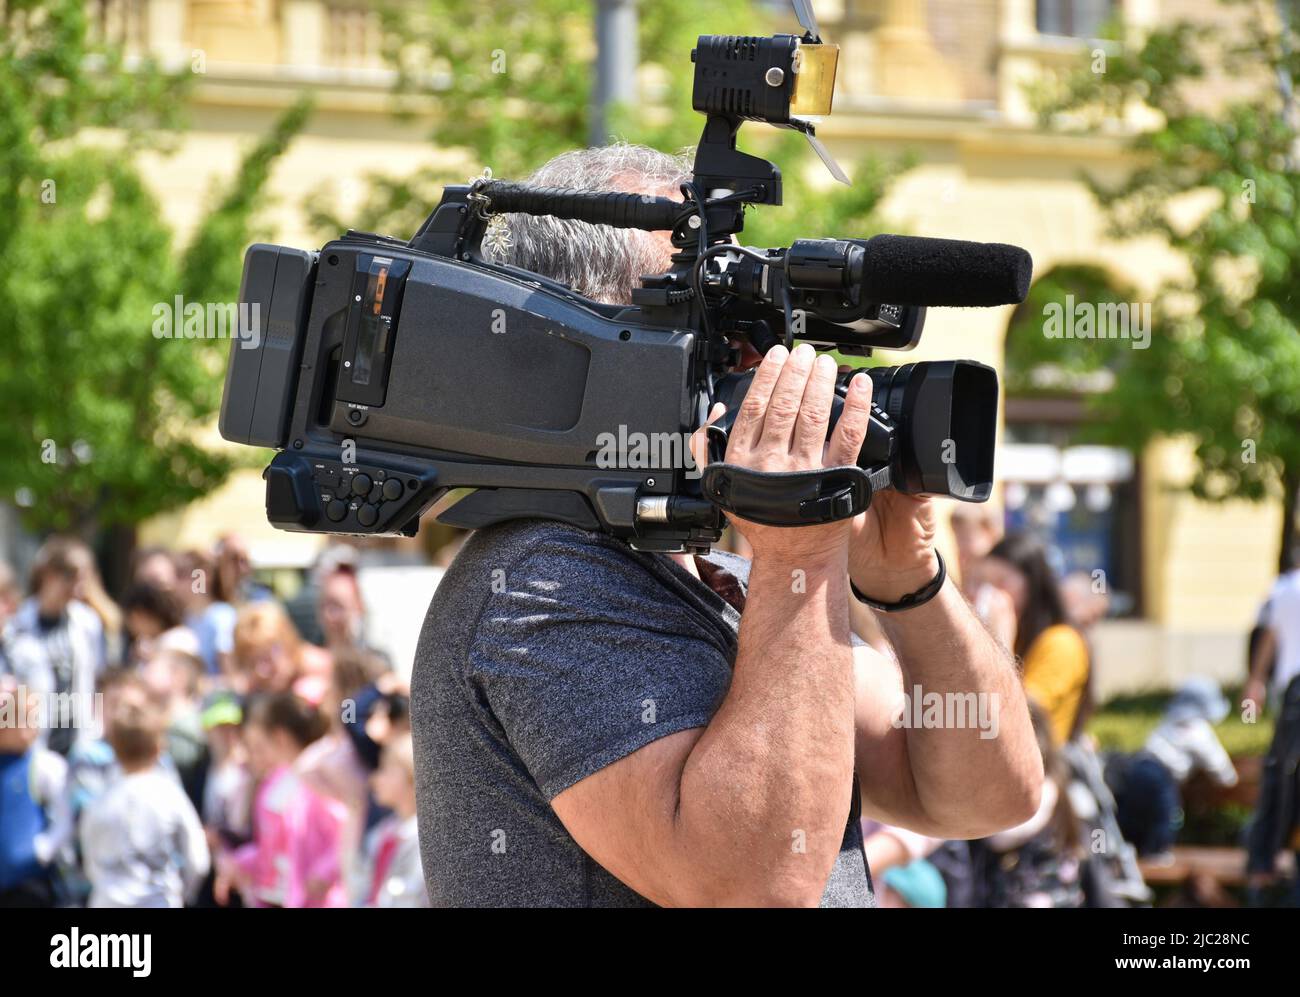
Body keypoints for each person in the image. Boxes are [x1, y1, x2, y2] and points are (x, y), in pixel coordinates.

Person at [411, 144, 1042, 908]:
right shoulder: (546, 579)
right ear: (584, 344)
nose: (756, 355)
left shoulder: (731, 578)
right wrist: (800, 553)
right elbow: (749, 887)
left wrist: (909, 581)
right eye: (713, 328)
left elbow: (988, 794)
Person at [79, 682, 209, 908]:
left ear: (115, 749)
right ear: (159, 747)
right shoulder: (170, 796)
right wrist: (183, 893)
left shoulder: (101, 801)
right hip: (159, 901)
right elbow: (198, 860)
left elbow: (91, 862)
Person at [217, 693, 348, 908]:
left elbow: (342, 834)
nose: (251, 756)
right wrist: (239, 862)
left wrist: (323, 872)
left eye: (257, 746)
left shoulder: (318, 779)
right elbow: (269, 847)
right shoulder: (271, 784)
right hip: (276, 898)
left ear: (280, 738)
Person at [973, 532, 1091, 746]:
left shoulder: (1062, 642)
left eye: (1002, 582)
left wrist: (1000, 641)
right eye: (985, 583)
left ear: (1032, 583)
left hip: (1043, 765)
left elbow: (1020, 716)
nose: (991, 593)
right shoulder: (1018, 635)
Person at [1106, 676, 1237, 861]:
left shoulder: (1167, 722)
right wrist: (1228, 778)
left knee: (1131, 813)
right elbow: (1219, 766)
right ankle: (1157, 851)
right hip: (1161, 777)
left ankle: (1126, 848)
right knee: (1166, 813)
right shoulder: (1200, 730)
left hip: (1138, 767)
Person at [10, 537, 108, 755]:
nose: (78, 588)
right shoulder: (17, 624)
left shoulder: (87, 623)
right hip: (33, 743)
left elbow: (97, 678)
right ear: (48, 575)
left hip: (79, 741)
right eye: (71, 578)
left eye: (83, 579)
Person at [1244, 561, 1300, 899]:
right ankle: (1271, 856)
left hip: (1291, 694)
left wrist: (1255, 681)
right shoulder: (1285, 589)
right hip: (1294, 694)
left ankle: (1265, 858)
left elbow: (1268, 636)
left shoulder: (1282, 588)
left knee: (1279, 775)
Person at [0, 681, 71, 907]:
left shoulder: (43, 765)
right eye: (23, 720)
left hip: (30, 884)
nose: (32, 728)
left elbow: (65, 816)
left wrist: (44, 849)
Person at [360, 735, 427, 908]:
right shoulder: (384, 831)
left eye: (385, 769)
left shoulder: (421, 837)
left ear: (412, 775)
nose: (375, 778)